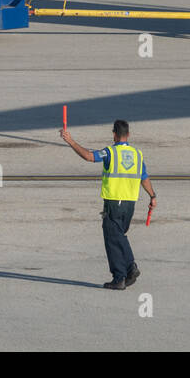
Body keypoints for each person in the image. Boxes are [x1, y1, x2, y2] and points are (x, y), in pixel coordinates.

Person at [60, 118, 157, 290]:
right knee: (119, 235)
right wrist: (152, 196)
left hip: (114, 202)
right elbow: (144, 177)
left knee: (113, 238)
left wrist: (70, 141)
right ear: (128, 134)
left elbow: (89, 156)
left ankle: (123, 274)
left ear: (114, 134)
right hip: (130, 204)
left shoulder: (110, 152)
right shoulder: (137, 154)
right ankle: (127, 270)